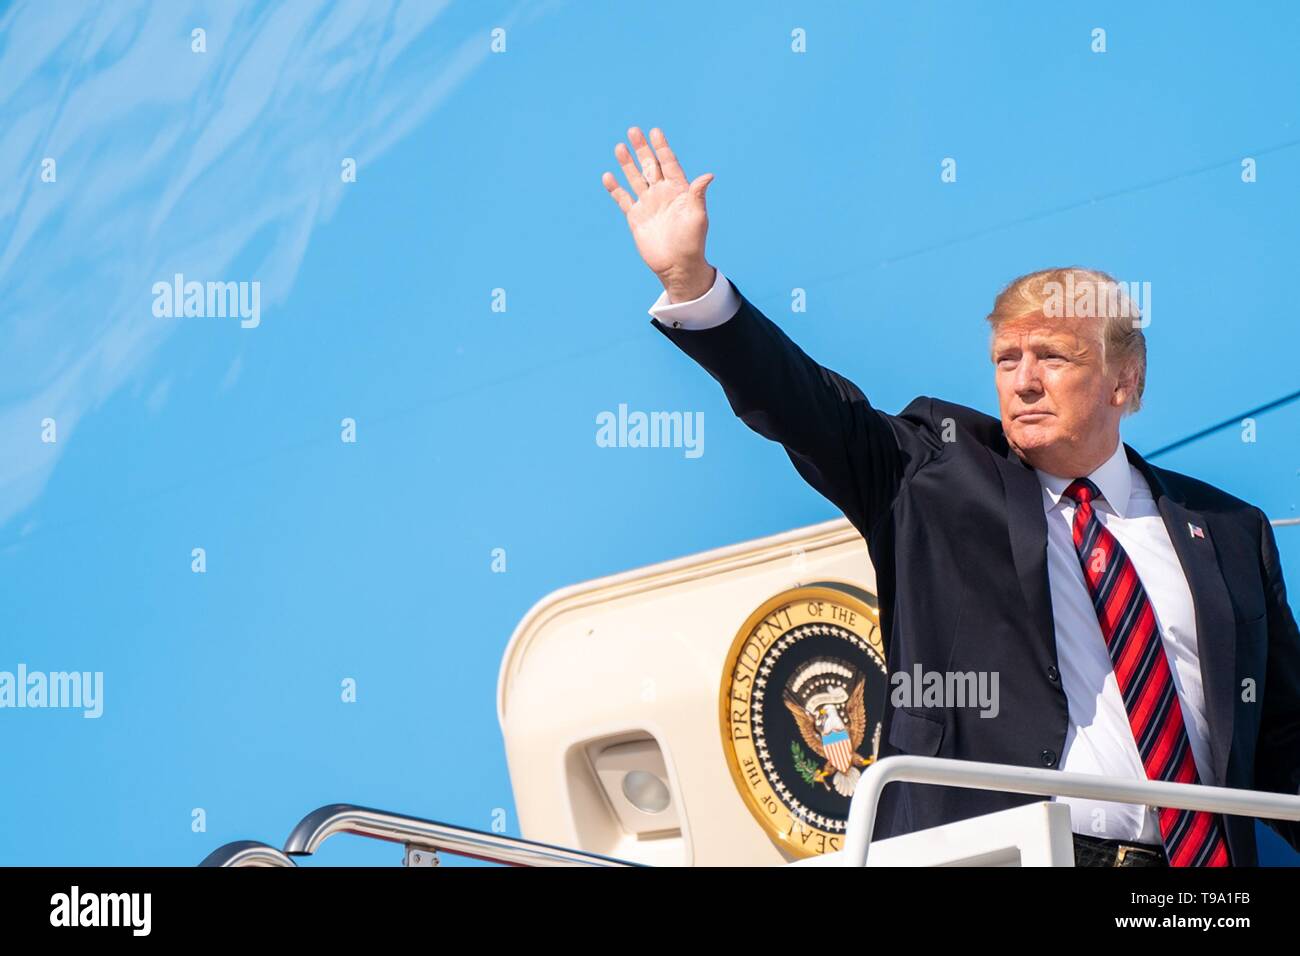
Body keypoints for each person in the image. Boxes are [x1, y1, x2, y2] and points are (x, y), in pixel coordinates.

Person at [602, 126, 1300, 867]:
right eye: (1007, 359)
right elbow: (807, 405)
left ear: (1124, 381)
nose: (1023, 380)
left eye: (1053, 358)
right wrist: (693, 285)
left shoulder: (1227, 530)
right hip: (1016, 852)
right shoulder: (930, 477)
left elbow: (1281, 734)